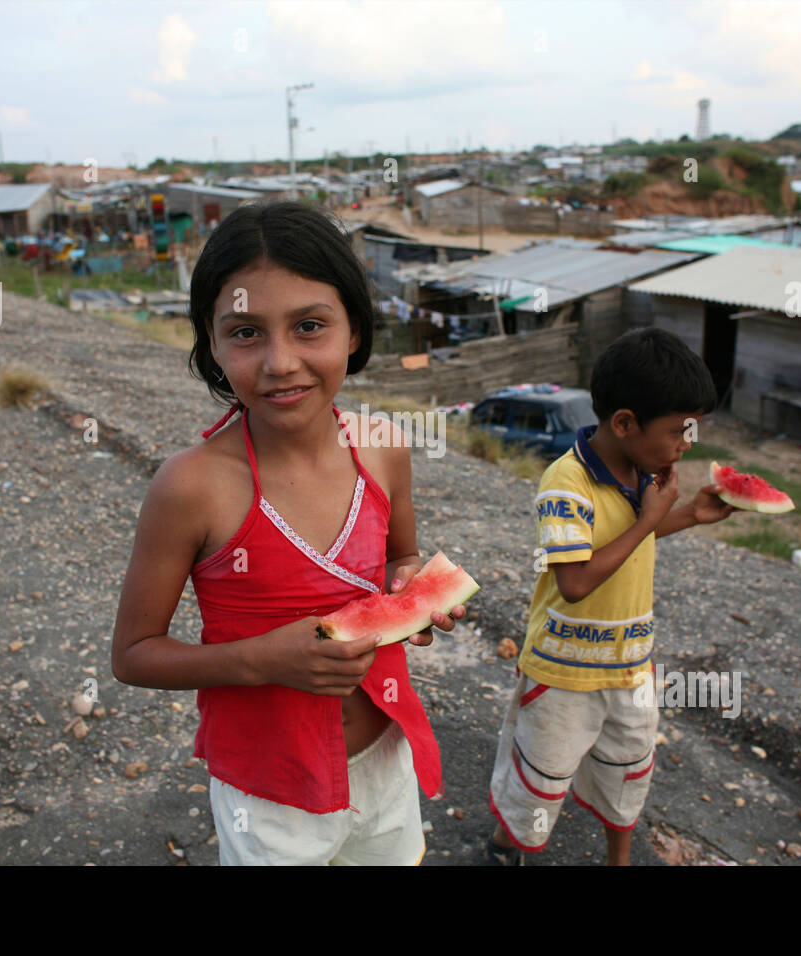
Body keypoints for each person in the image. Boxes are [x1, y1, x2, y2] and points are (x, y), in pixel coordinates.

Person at [111, 200, 465, 866]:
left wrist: (413, 592)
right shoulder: (189, 486)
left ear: (354, 331)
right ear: (211, 345)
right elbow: (133, 654)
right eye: (245, 332)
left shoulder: (384, 448)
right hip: (268, 796)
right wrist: (259, 659)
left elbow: (403, 559)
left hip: (387, 761)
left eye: (309, 326)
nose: (280, 361)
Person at [484, 328, 736, 866]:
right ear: (624, 422)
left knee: (627, 771)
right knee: (540, 777)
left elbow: (627, 539)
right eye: (677, 432)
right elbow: (575, 582)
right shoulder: (565, 482)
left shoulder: (642, 470)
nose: (685, 445)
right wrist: (649, 517)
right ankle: (508, 846)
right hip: (563, 670)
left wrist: (688, 513)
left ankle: (618, 860)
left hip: (629, 665)